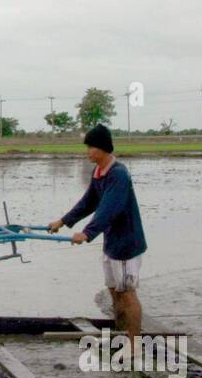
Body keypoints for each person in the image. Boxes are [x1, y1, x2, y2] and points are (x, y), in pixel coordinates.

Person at [48, 124, 147, 340]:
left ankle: (134, 344)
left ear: (102, 148)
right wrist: (63, 221)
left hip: (126, 244)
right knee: (113, 290)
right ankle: (122, 332)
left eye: (90, 147)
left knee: (127, 293)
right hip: (111, 242)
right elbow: (89, 202)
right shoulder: (99, 172)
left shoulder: (118, 174)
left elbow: (109, 208)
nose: (87, 152)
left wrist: (87, 233)